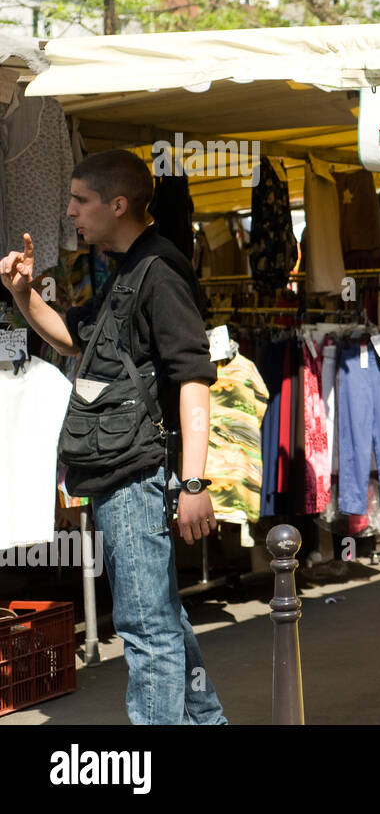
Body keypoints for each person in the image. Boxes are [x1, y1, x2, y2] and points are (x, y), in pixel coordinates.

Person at [0, 149, 225, 725]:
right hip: (119, 467)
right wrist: (23, 294)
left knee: (145, 629)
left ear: (117, 204)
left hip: (135, 472)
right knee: (160, 618)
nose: (70, 211)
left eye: (80, 200)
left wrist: (196, 480)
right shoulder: (128, 265)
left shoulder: (161, 271)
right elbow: (74, 340)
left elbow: (194, 378)